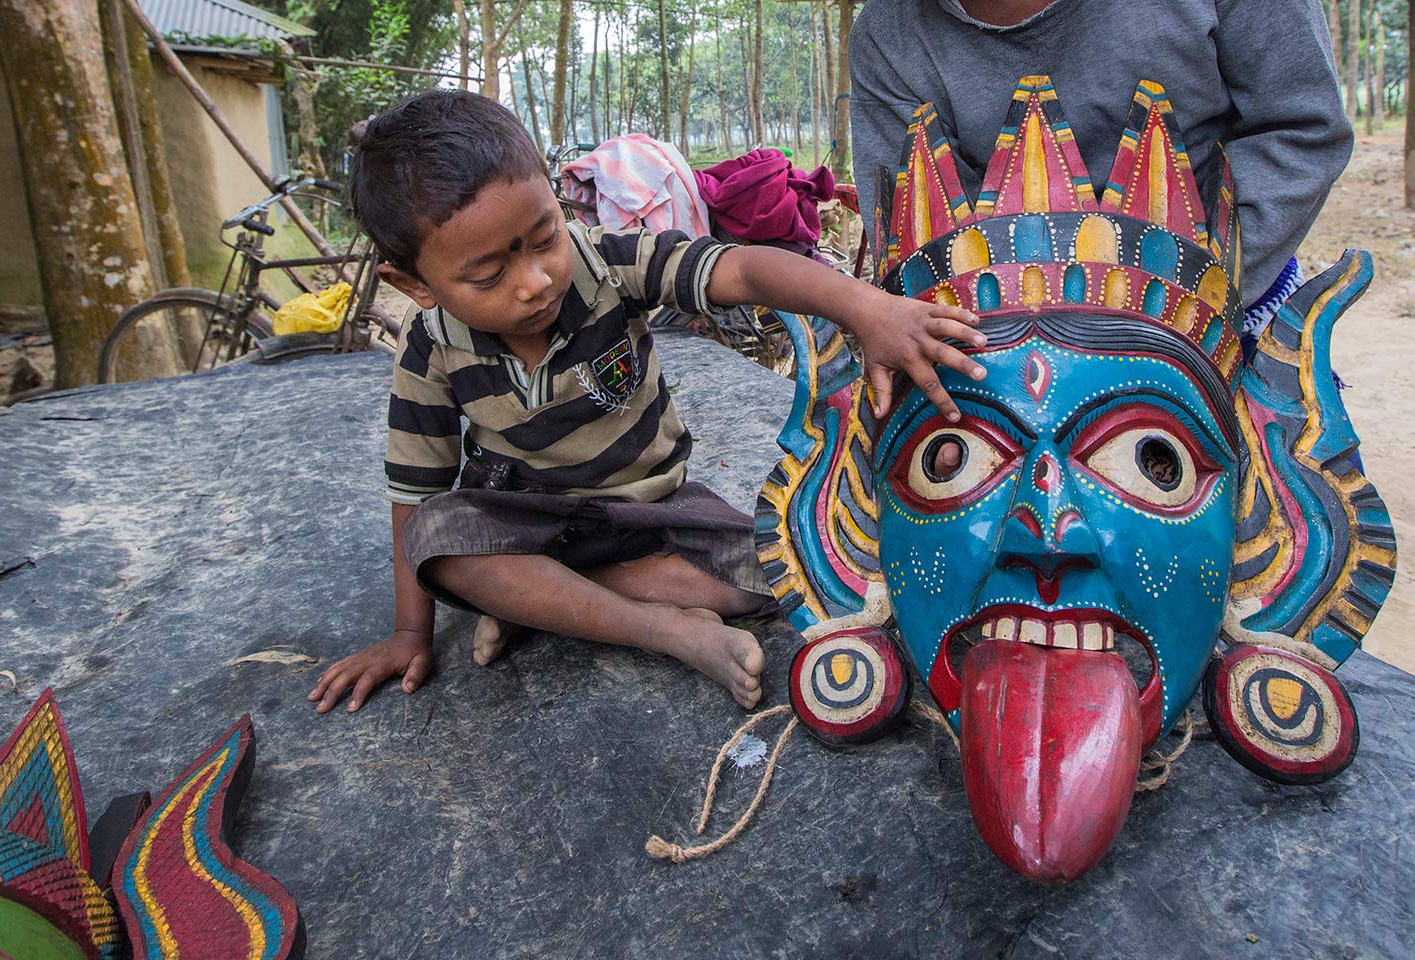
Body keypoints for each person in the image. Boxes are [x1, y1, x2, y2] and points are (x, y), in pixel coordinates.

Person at [308, 90, 988, 714]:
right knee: (437, 539)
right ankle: (660, 629)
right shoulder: (430, 346)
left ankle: (547, 602)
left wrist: (868, 308)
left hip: (653, 513)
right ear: (416, 285)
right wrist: (409, 634)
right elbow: (415, 492)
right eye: (488, 274)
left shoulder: (610, 262)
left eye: (545, 238)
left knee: (794, 571)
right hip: (525, 521)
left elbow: (743, 268)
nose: (535, 280)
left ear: (556, 199)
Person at [848, 0, 1352, 330]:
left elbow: (1302, 129)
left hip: (1216, 309)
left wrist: (1199, 292)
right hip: (997, 334)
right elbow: (924, 238)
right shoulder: (889, 36)